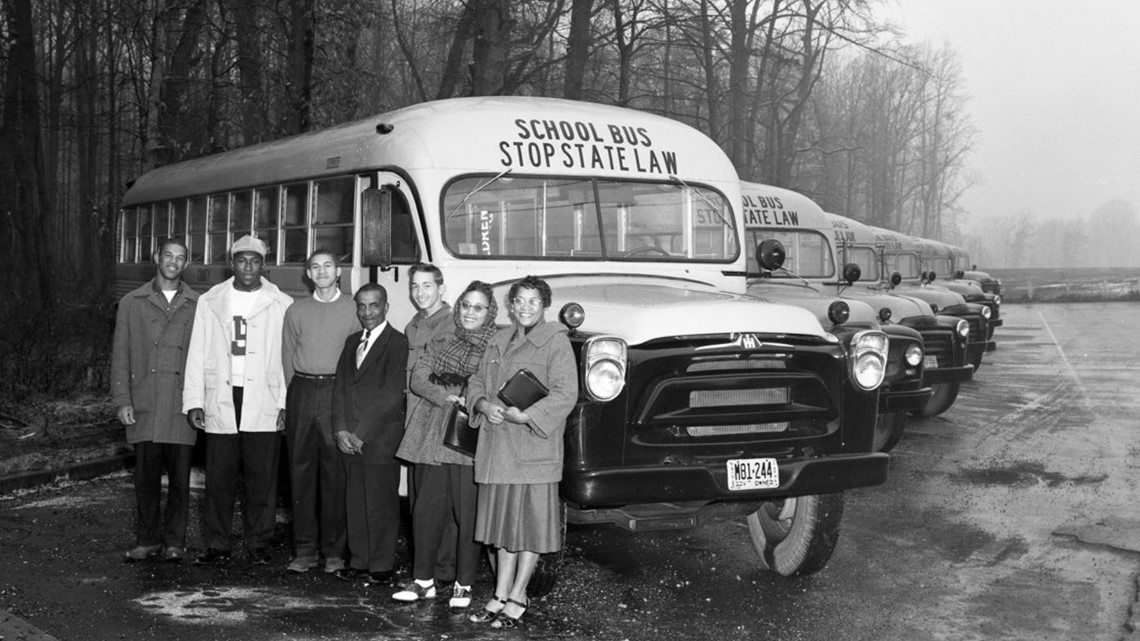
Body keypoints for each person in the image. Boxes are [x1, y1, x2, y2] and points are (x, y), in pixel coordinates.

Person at [466, 275, 577, 629]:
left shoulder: (555, 341)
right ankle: (499, 595)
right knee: (503, 531)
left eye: (534, 301)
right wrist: (483, 404)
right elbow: (475, 383)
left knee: (528, 529)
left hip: (533, 449)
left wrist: (526, 415)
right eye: (520, 301)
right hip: (499, 449)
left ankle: (518, 596)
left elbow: (565, 394)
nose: (526, 307)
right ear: (511, 306)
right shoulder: (497, 339)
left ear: (545, 306)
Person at [183, 235, 294, 566]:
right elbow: (197, 352)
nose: (248, 267)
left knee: (262, 477)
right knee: (219, 477)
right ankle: (218, 543)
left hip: (264, 395)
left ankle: (258, 542)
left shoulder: (281, 303)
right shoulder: (211, 300)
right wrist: (194, 400)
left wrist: (286, 403)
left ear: (264, 265)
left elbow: (288, 358)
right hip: (222, 394)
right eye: (242, 260)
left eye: (255, 261)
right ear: (232, 264)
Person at [393, 281, 499, 607]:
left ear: (489, 312)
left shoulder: (495, 348)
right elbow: (419, 378)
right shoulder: (440, 339)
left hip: (467, 434)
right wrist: (446, 396)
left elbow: (491, 386)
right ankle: (423, 580)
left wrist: (470, 396)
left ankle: (463, 584)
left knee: (467, 512)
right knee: (425, 509)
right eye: (465, 305)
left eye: (477, 307)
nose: (469, 312)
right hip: (430, 434)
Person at [111, 239, 199, 562]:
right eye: (168, 256)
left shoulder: (197, 304)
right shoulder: (132, 303)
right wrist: (123, 399)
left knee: (180, 479)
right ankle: (147, 540)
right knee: (145, 479)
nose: (173, 262)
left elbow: (203, 358)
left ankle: (175, 541)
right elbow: (120, 354)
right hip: (146, 401)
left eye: (180, 258)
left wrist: (199, 402)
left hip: (181, 405)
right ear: (156, 258)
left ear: (186, 264)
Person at [281, 249, 359, 574]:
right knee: (299, 472)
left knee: (335, 473)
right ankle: (304, 549)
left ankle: (334, 552)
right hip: (302, 389)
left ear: (338, 272)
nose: (322, 271)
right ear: (308, 274)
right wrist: (291, 397)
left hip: (335, 392)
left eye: (328, 266)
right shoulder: (296, 310)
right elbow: (287, 356)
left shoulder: (354, 308)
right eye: (316, 267)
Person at [331, 283, 409, 585]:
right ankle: (359, 560)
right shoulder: (352, 341)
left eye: (373, 305)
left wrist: (361, 434)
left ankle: (381, 565)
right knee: (356, 502)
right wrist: (340, 429)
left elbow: (390, 396)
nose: (367, 312)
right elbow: (339, 388)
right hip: (349, 437)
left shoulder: (397, 342)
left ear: (385, 307)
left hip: (378, 439)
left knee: (380, 504)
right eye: (361, 306)